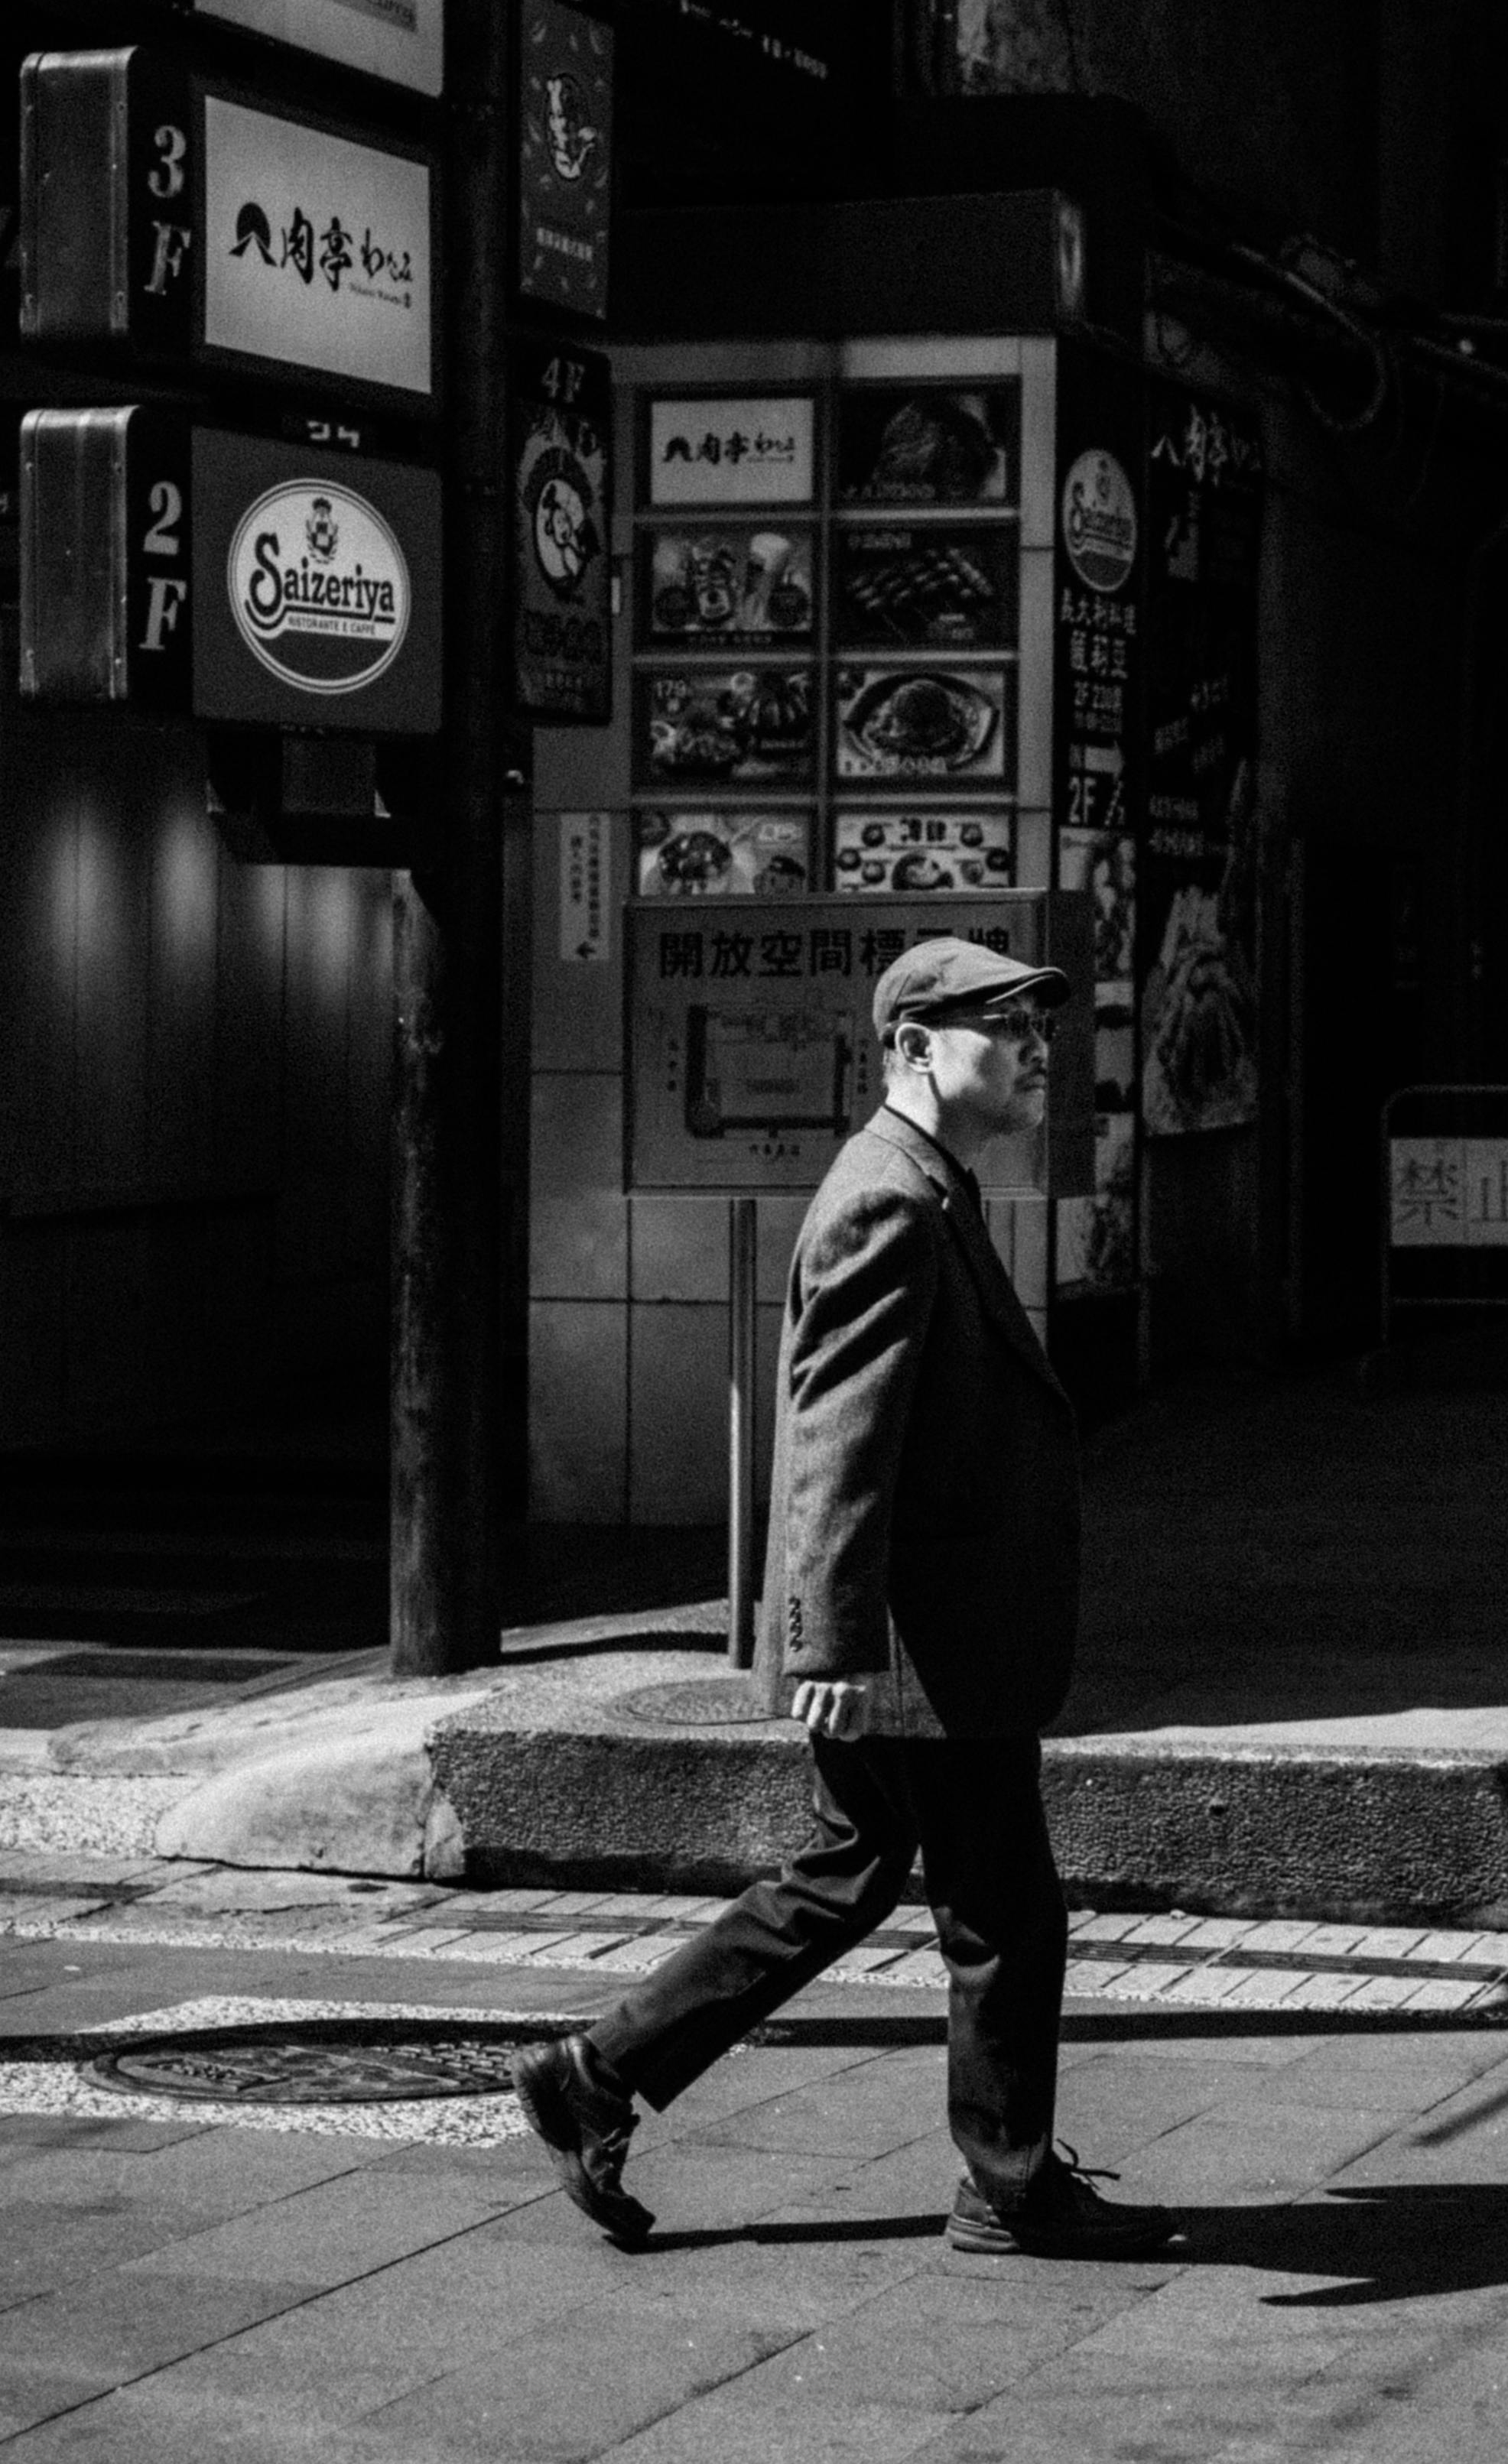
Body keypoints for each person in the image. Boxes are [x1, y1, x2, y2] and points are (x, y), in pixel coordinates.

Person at [512, 936, 1177, 2258]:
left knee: (849, 1877)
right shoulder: (891, 1202)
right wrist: (828, 1632)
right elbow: (835, 1435)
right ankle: (1006, 2183)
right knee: (997, 1909)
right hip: (922, 1648)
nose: (1040, 1051)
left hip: (931, 1640)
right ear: (919, 1050)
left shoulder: (929, 1186)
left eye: (1043, 1029)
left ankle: (597, 2073)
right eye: (1008, 1030)